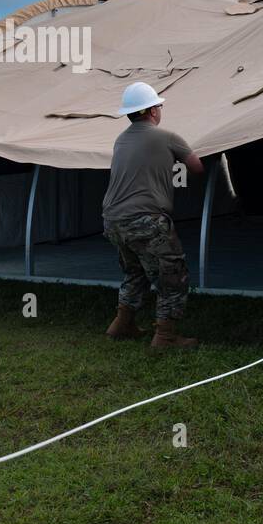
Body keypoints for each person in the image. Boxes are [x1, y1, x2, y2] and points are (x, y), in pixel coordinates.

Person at [101, 81, 204, 350]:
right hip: (146, 220)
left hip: (113, 220)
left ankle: (121, 324)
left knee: (135, 272)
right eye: (158, 105)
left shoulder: (120, 139)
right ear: (152, 111)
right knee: (173, 276)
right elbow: (197, 167)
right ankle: (165, 338)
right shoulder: (167, 137)